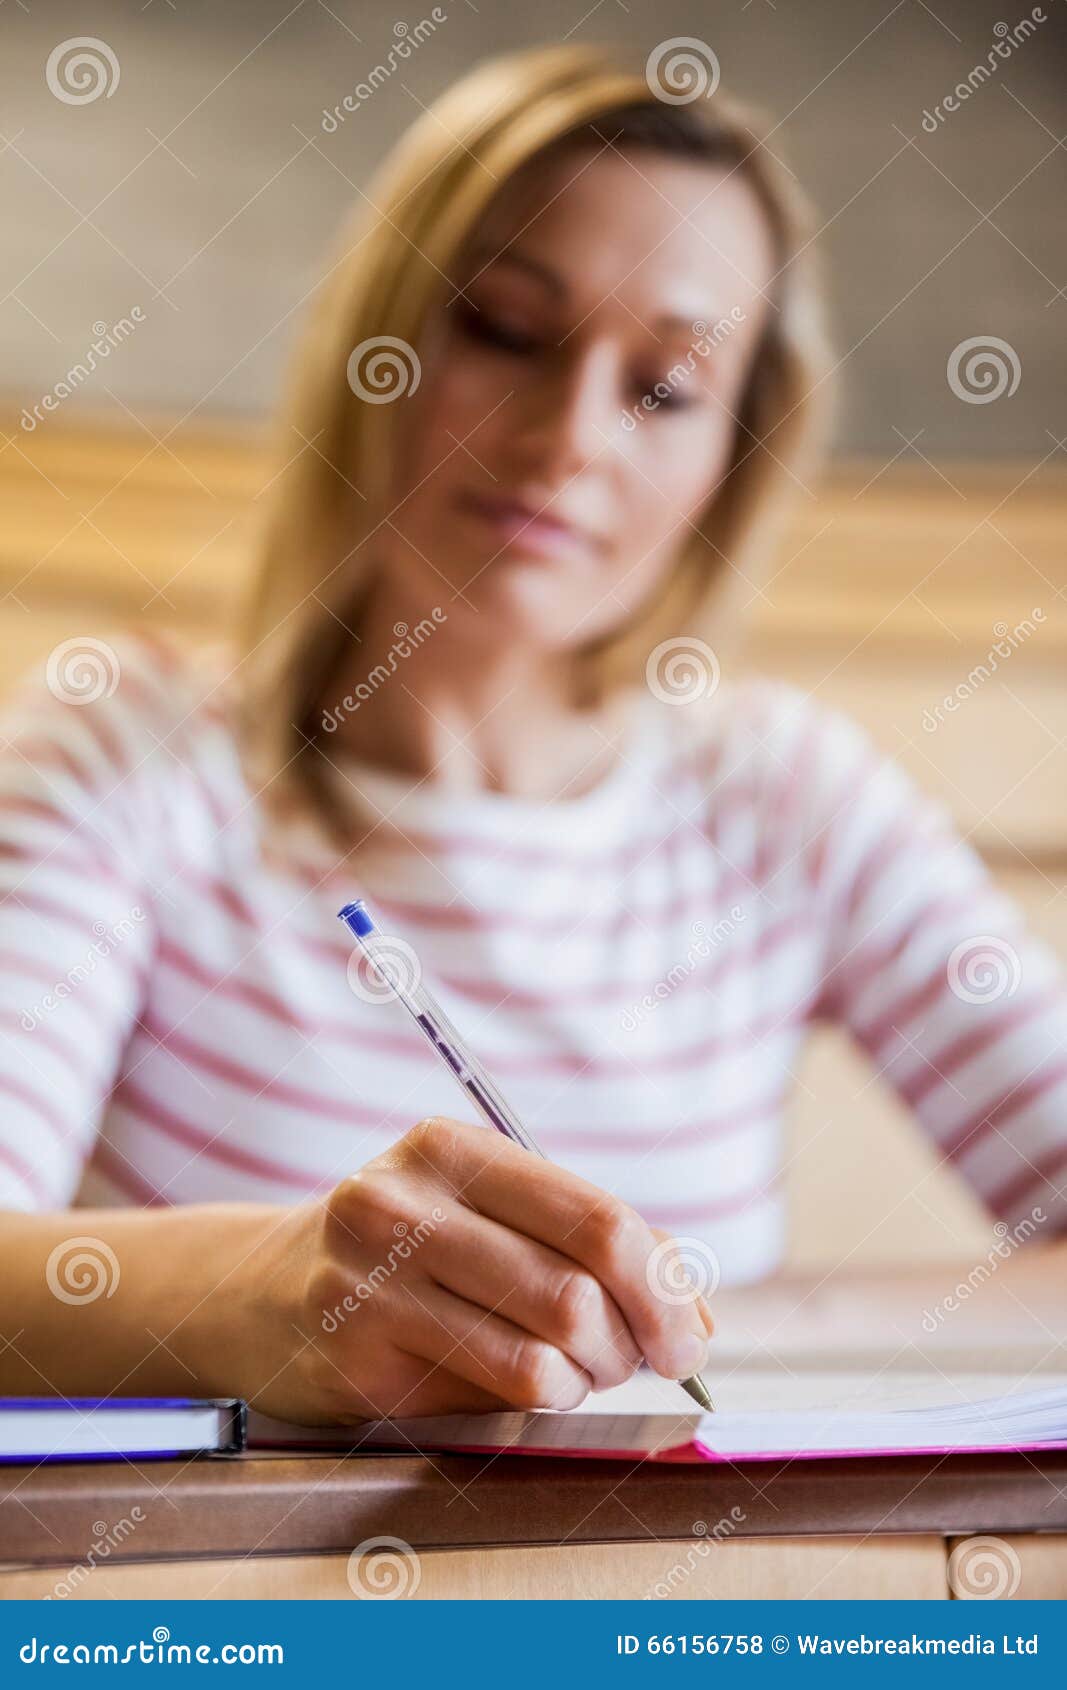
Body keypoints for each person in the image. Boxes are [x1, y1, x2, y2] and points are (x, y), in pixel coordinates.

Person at [1, 44, 1064, 1426]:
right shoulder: (125, 753)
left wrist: (689, 1313)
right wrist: (278, 1286)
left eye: (665, 388)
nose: (569, 436)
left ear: (734, 457)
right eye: (503, 327)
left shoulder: (790, 794)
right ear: (374, 349)